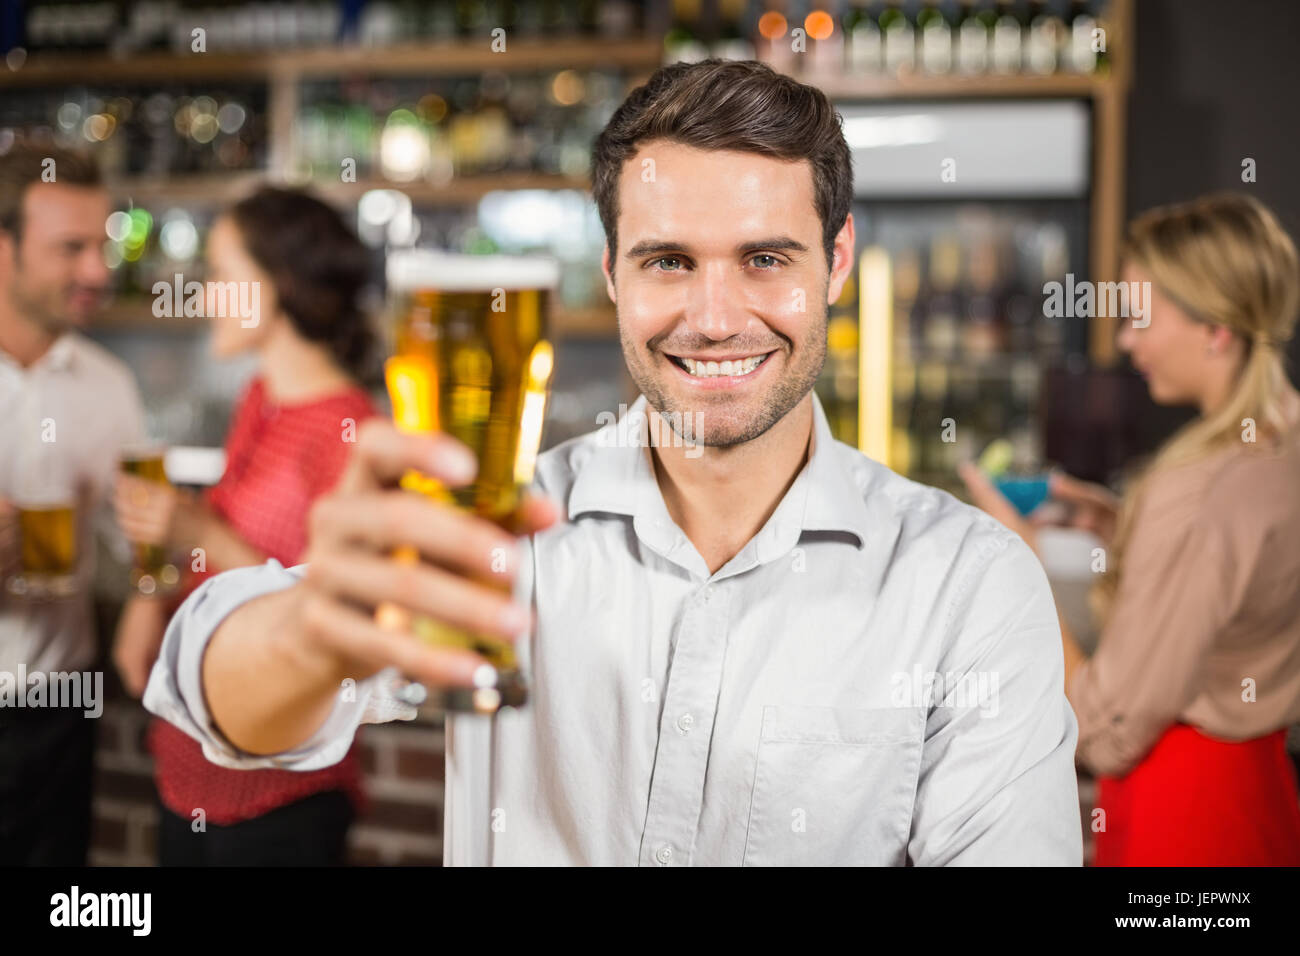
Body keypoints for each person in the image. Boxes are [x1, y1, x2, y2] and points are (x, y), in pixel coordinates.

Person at [143, 59, 1082, 866]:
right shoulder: (497, 529)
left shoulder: (968, 583)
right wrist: (316, 631)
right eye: (668, 261)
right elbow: (211, 694)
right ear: (610, 275)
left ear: (836, 264)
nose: (714, 317)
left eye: (765, 258)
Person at [962, 192, 1300, 865]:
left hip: (1185, 819)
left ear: (1217, 329)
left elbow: (1103, 728)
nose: (1125, 340)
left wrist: (1021, 568)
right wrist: (1127, 531)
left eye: (1140, 316)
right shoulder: (1279, 444)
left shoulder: (1199, 491)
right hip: (1260, 797)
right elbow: (1241, 582)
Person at [113, 187, 378, 865]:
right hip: (191, 761)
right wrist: (152, 585)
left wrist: (196, 531)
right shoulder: (258, 399)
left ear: (279, 285)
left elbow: (340, 619)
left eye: (222, 276)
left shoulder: (350, 433)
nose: (204, 297)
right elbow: (213, 550)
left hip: (280, 789)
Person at [0, 143, 147, 865]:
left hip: (59, 705)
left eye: (103, 245)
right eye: (71, 248)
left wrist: (163, 573)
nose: (98, 270)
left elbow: (143, 546)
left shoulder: (108, 384)